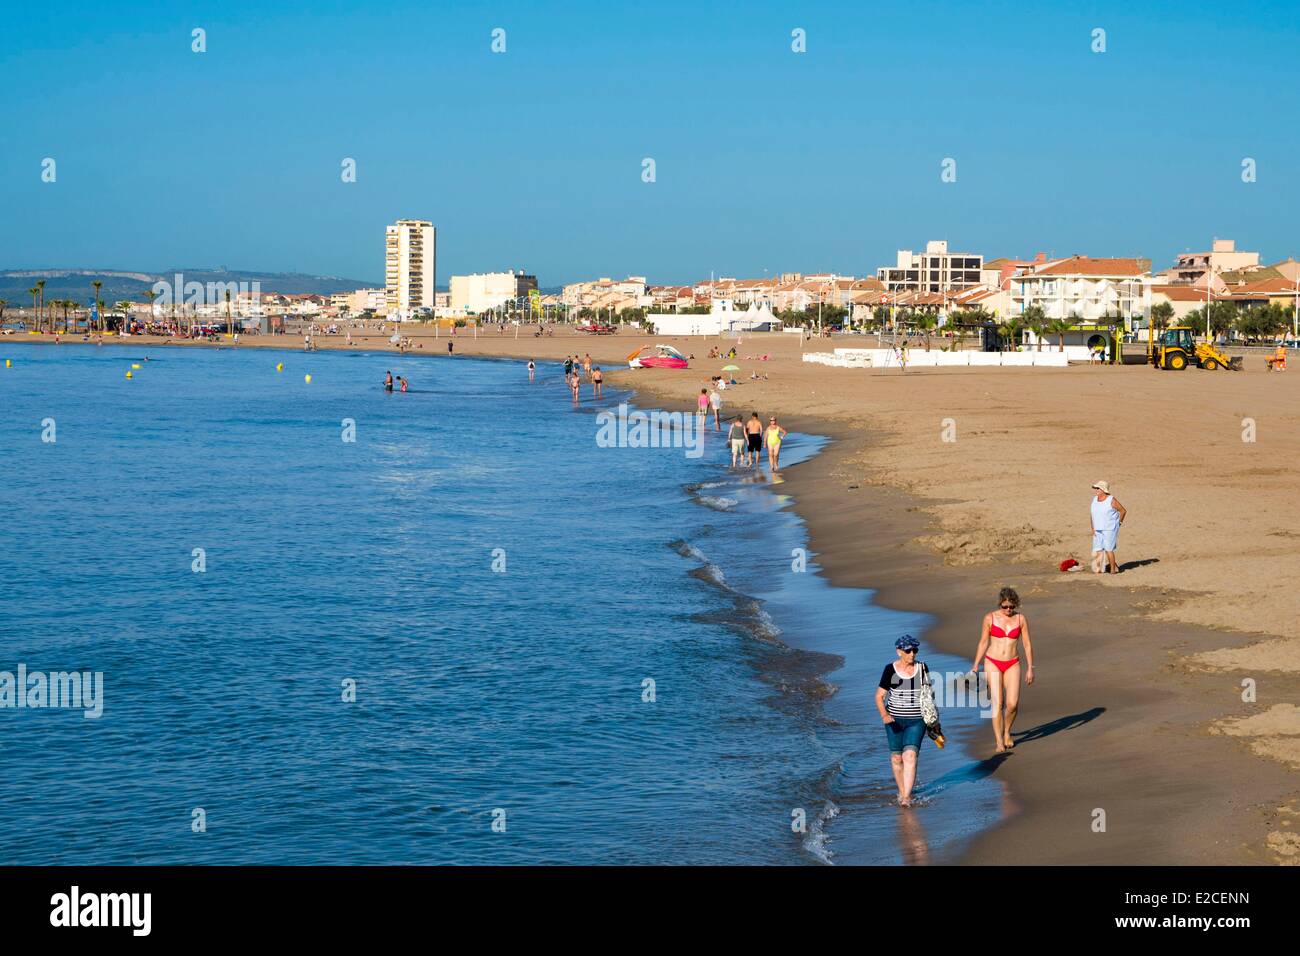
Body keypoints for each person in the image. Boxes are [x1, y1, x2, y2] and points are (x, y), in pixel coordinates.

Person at [972, 587, 1035, 753]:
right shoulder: (990, 618)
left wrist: (1030, 667)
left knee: (1012, 704)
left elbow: (1027, 644)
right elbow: (983, 642)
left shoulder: (1020, 619)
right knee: (998, 703)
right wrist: (975, 664)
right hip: (993, 662)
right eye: (1005, 606)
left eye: (1011, 607)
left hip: (1012, 662)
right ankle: (999, 741)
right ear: (1000, 604)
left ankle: (1007, 731)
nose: (1008, 610)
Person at [876, 634, 930, 806]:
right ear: (899, 651)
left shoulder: (922, 668)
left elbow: (928, 695)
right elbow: (879, 696)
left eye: (915, 650)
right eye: (908, 650)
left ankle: (906, 797)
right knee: (896, 758)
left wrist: (934, 722)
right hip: (894, 721)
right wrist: (884, 715)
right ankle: (903, 791)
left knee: (910, 755)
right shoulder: (889, 670)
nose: (912, 654)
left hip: (917, 720)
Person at [1089, 480, 1127, 574]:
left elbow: (1123, 511)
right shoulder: (1095, 499)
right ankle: (1098, 569)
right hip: (1097, 528)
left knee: (1108, 549)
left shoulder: (1111, 500)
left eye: (1098, 488)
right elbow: (1092, 514)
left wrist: (1119, 523)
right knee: (1098, 549)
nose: (1096, 490)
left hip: (1109, 528)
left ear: (1103, 490)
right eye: (1096, 488)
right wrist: (1092, 527)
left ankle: (1113, 570)